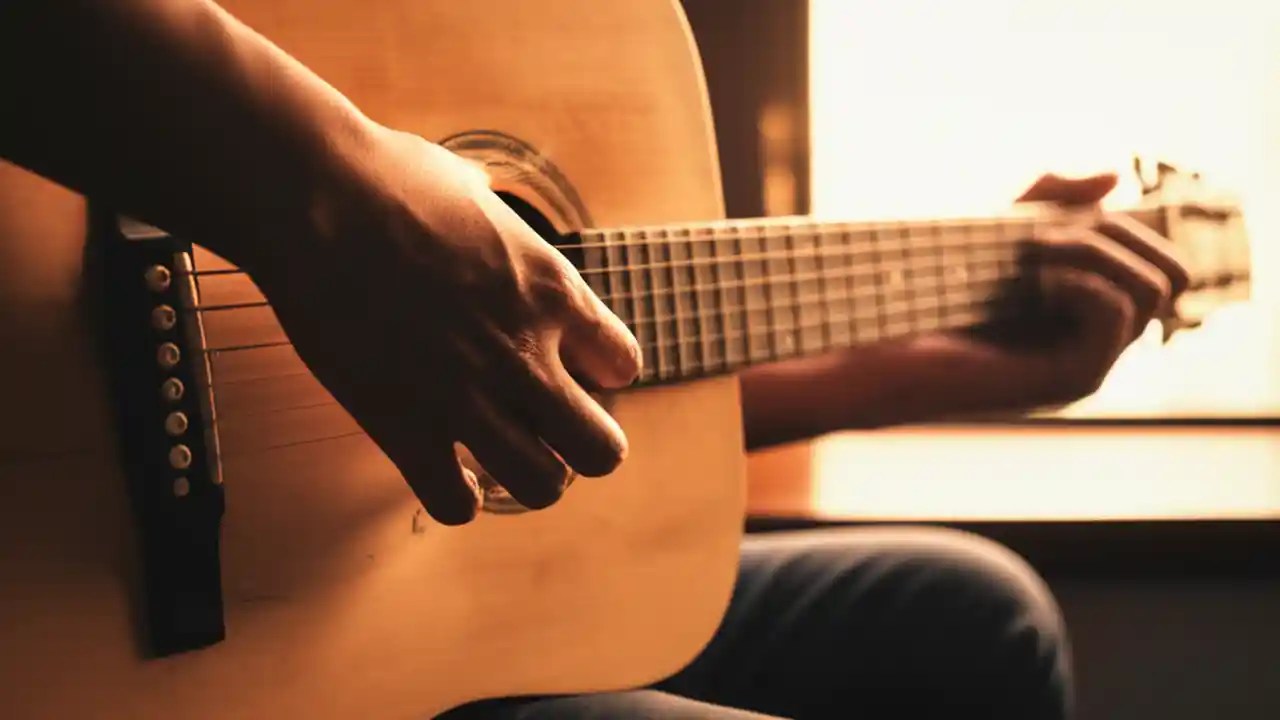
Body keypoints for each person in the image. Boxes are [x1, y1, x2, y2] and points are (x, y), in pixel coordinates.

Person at [1, 2, 1189, 719]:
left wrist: (941, 368)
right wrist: (328, 190)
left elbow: (561, 362)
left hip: (316, 598)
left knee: (973, 619)